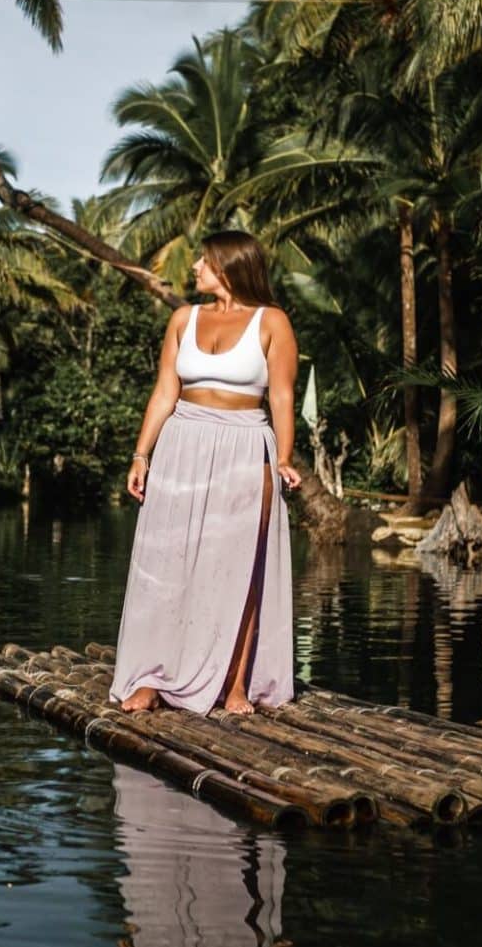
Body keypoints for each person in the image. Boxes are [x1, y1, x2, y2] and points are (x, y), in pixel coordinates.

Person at [110, 231, 302, 716]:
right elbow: (163, 393)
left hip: (244, 445)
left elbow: (281, 397)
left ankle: (234, 685)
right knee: (166, 566)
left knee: (241, 571)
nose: (195, 266)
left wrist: (283, 457)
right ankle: (153, 679)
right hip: (182, 444)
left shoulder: (272, 322)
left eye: (205, 260)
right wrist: (141, 455)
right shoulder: (182, 319)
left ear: (231, 268)